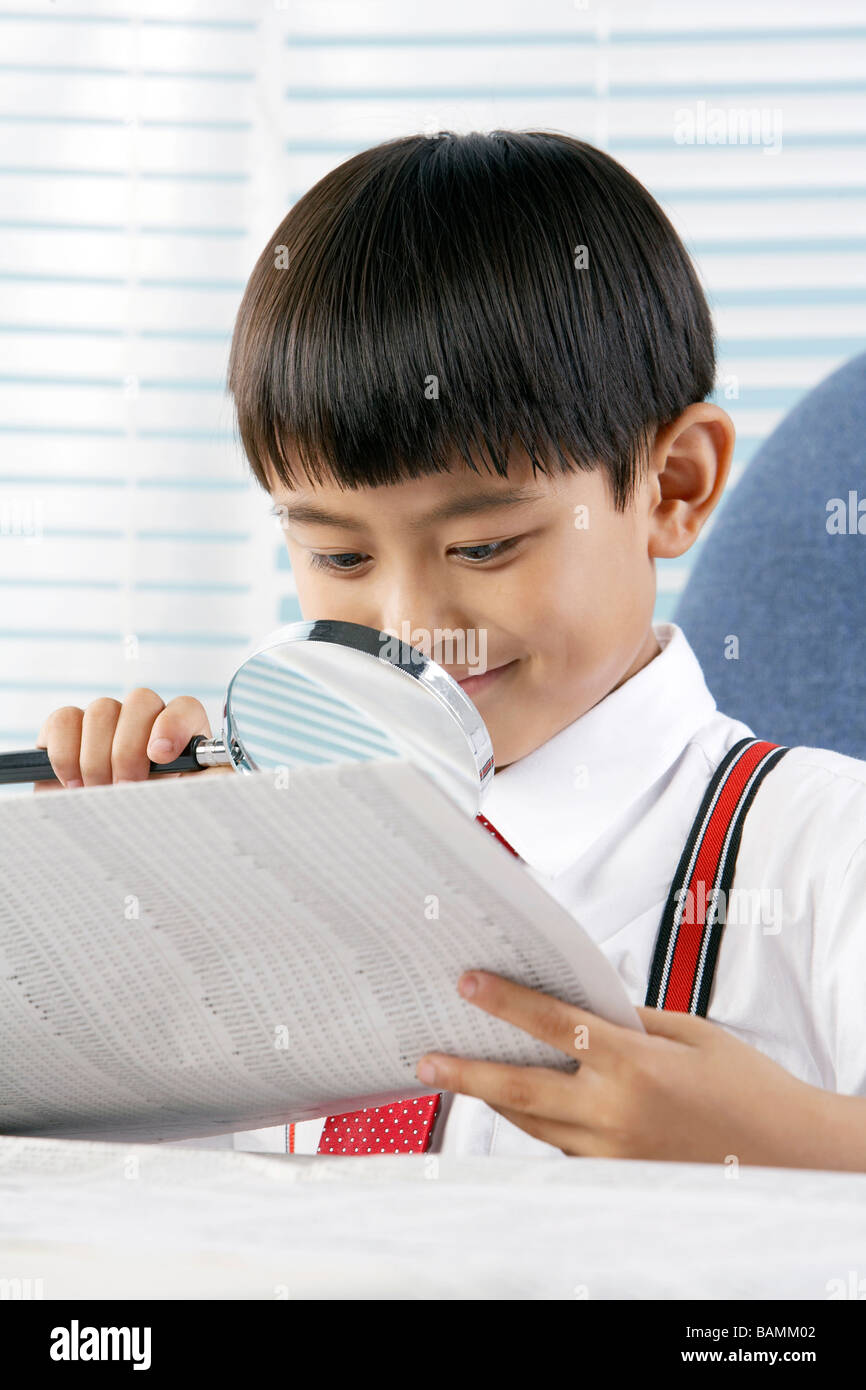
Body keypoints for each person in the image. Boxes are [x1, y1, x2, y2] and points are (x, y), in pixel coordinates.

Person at [36, 130, 866, 1170]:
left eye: (483, 544)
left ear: (672, 487)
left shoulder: (829, 854)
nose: (410, 624)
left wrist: (795, 1147)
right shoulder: (262, 858)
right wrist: (103, 926)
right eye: (337, 556)